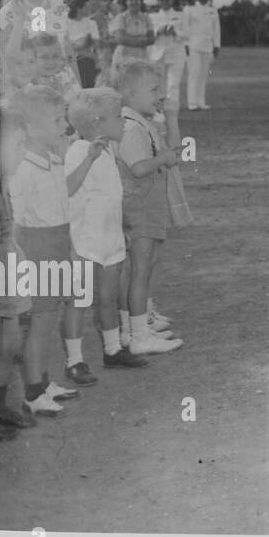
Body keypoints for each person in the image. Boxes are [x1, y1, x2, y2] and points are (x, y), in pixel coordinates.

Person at [6, 86, 81, 416]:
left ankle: (44, 379)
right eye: (56, 120)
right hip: (36, 250)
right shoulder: (22, 168)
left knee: (49, 319)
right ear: (31, 129)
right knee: (38, 321)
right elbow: (15, 222)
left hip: (58, 242)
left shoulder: (52, 158)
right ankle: (33, 391)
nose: (64, 126)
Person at [65, 88, 147, 373]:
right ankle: (74, 360)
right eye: (117, 116)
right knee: (80, 300)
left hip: (110, 237)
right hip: (86, 240)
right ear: (97, 122)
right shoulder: (78, 151)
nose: (123, 121)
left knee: (108, 297)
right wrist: (88, 158)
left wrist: (122, 225)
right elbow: (69, 188)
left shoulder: (109, 149)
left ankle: (112, 349)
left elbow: (112, 194)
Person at [115, 62, 183, 355]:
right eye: (154, 89)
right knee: (139, 270)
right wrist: (161, 160)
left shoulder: (145, 123)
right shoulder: (132, 128)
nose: (160, 94)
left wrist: (172, 117)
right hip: (139, 208)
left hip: (149, 206)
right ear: (130, 95)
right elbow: (140, 168)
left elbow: (173, 152)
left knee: (145, 267)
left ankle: (138, 326)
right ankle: (139, 335)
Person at [0, 110, 34, 439]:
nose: (22, 152)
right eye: (16, 145)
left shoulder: (3, 184)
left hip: (8, 265)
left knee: (9, 341)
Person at [0, 0, 72, 93]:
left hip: (67, 89)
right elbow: (7, 65)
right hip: (30, 95)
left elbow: (69, 56)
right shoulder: (7, 15)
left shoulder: (60, 7)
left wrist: (79, 93)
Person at [182, 0, 221, 110]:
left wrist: (216, 46)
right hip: (193, 46)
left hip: (208, 47)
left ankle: (201, 102)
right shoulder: (189, 9)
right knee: (194, 74)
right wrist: (185, 45)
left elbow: (216, 30)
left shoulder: (213, 10)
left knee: (203, 75)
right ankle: (192, 103)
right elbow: (185, 29)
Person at [150, 0, 187, 117]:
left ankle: (172, 113)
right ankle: (159, 112)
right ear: (158, 2)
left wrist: (175, 32)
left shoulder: (180, 15)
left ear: (171, 0)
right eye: (162, 0)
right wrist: (157, 31)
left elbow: (187, 35)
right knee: (159, 84)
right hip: (158, 54)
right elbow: (149, 36)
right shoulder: (152, 17)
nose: (165, 2)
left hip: (176, 53)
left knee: (173, 84)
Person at [109, 0, 154, 75]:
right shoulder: (121, 18)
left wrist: (129, 38)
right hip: (124, 58)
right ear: (126, 2)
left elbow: (152, 38)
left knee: (140, 86)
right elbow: (120, 39)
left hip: (141, 58)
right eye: (131, 0)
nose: (134, 2)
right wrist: (142, 39)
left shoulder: (146, 18)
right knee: (124, 86)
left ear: (140, 1)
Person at [68, 0, 101, 88]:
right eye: (87, 7)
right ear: (79, 8)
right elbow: (68, 45)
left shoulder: (91, 23)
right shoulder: (67, 23)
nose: (90, 9)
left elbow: (96, 44)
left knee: (89, 89)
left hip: (88, 62)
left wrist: (77, 45)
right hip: (71, 62)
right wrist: (84, 43)